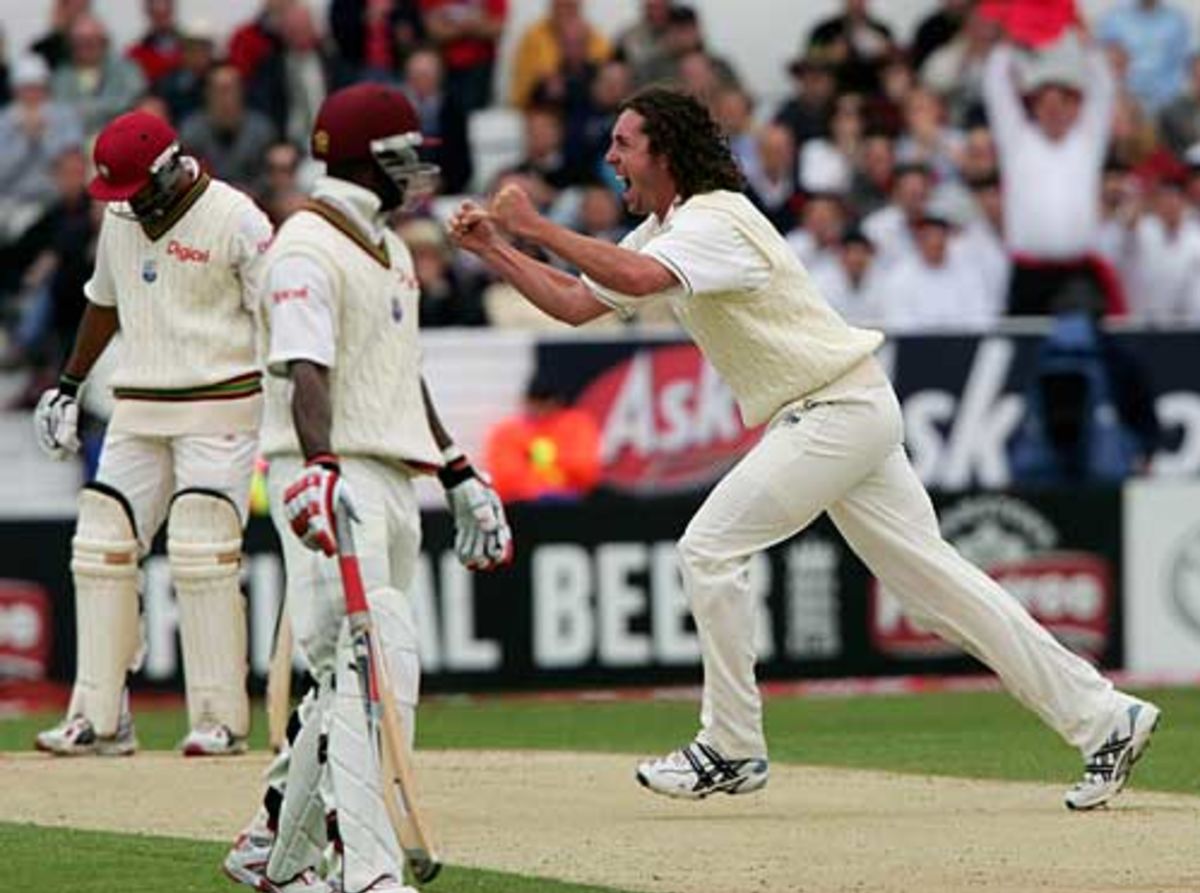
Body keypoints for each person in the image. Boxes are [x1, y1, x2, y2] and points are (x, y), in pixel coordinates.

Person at [448, 85, 1160, 811]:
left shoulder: (715, 220)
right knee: (937, 590)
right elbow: (577, 303)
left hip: (833, 411)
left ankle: (731, 745)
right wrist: (498, 249)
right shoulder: (665, 229)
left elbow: (634, 278)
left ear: (665, 150)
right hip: (844, 408)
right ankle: (1107, 717)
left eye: (625, 144)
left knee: (708, 550)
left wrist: (537, 224)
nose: (609, 157)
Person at [222, 83, 512, 893]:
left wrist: (454, 465)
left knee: (360, 669)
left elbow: (397, 370)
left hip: (387, 471)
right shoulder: (305, 247)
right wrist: (319, 471)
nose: (417, 169)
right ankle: (369, 870)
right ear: (368, 159)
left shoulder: (383, 246)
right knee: (363, 667)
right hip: (330, 475)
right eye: (404, 154)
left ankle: (272, 851)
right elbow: (303, 368)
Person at [32, 110, 273, 758]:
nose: (129, 202)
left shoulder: (237, 219)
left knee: (203, 550)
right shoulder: (120, 216)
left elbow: (277, 319)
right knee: (100, 543)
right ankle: (100, 716)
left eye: (138, 187)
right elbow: (103, 300)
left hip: (221, 403)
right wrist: (69, 382)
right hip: (137, 402)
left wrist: (288, 421)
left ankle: (219, 719)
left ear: (169, 167)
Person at [485, 370, 601, 502]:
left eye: (545, 403)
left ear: (558, 402)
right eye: (535, 403)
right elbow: (505, 477)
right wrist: (538, 489)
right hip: (521, 504)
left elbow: (585, 469)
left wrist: (550, 467)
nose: (540, 410)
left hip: (571, 502)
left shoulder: (577, 425)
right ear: (526, 401)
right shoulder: (508, 432)